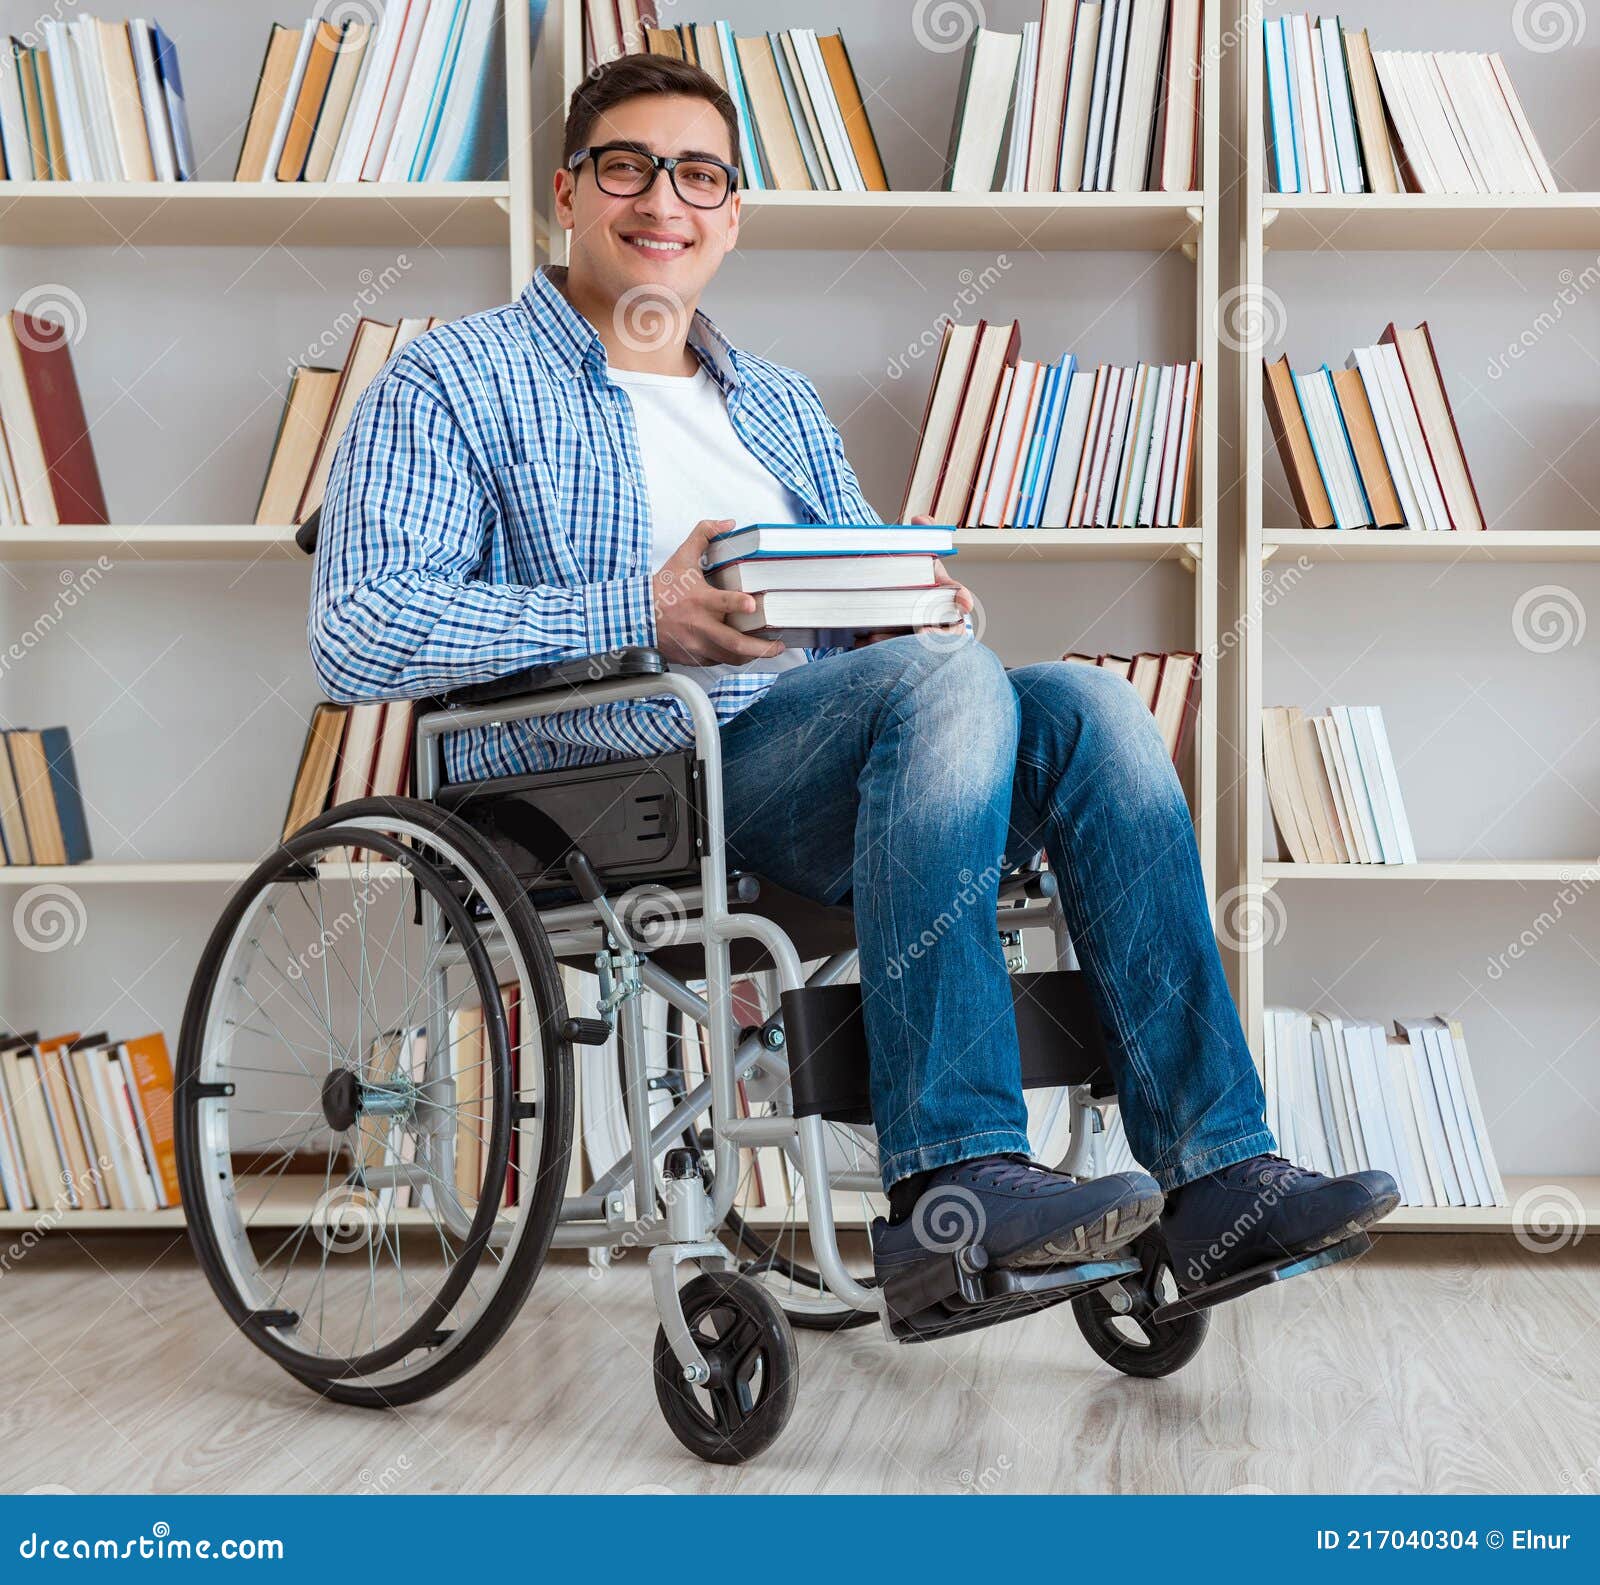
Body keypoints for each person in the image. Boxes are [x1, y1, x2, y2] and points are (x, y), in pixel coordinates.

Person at [309, 54, 1397, 1293]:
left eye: (698, 175)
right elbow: (360, 630)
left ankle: (1217, 1176)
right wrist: (642, 611)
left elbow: (876, 598)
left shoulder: (773, 402)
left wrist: (916, 607)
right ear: (567, 192)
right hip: (613, 781)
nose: (662, 198)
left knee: (1087, 702)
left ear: (732, 215)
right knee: (945, 687)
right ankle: (954, 1177)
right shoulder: (451, 381)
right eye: (627, 166)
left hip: (826, 761)